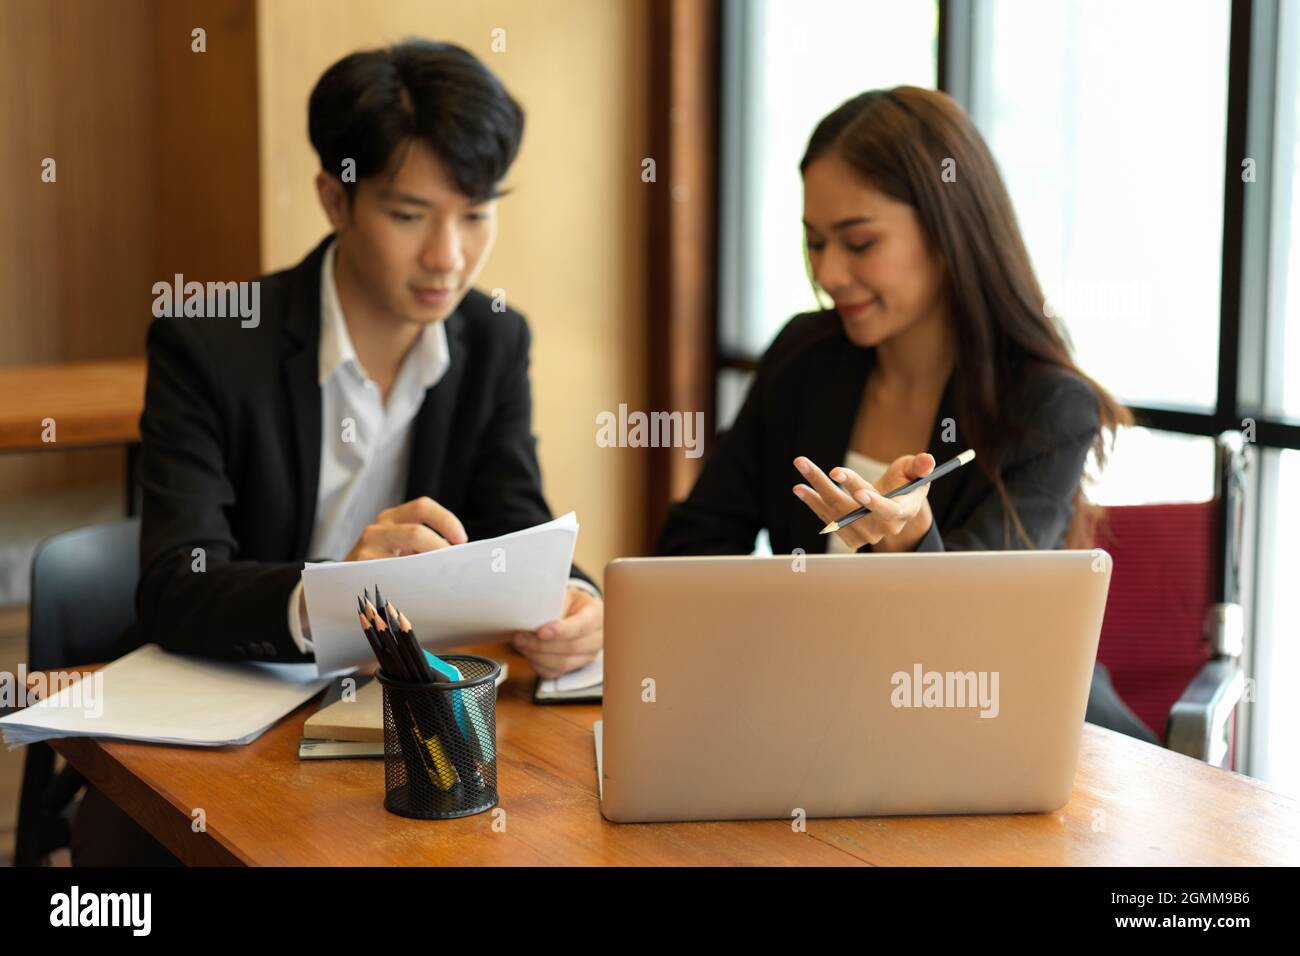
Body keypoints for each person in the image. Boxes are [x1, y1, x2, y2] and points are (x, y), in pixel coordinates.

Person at [72, 39, 604, 866]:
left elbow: (516, 519)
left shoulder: (494, 340)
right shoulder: (211, 343)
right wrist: (337, 594)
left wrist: (572, 599)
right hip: (243, 725)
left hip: (411, 733)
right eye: (408, 215)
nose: (448, 256)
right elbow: (177, 582)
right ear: (336, 198)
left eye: (476, 213)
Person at [657, 86, 1157, 745]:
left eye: (859, 243)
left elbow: (979, 630)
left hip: (1015, 738)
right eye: (814, 243)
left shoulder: (1045, 404)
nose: (829, 273)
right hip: (829, 728)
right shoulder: (804, 359)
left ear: (949, 233)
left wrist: (912, 541)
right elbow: (696, 546)